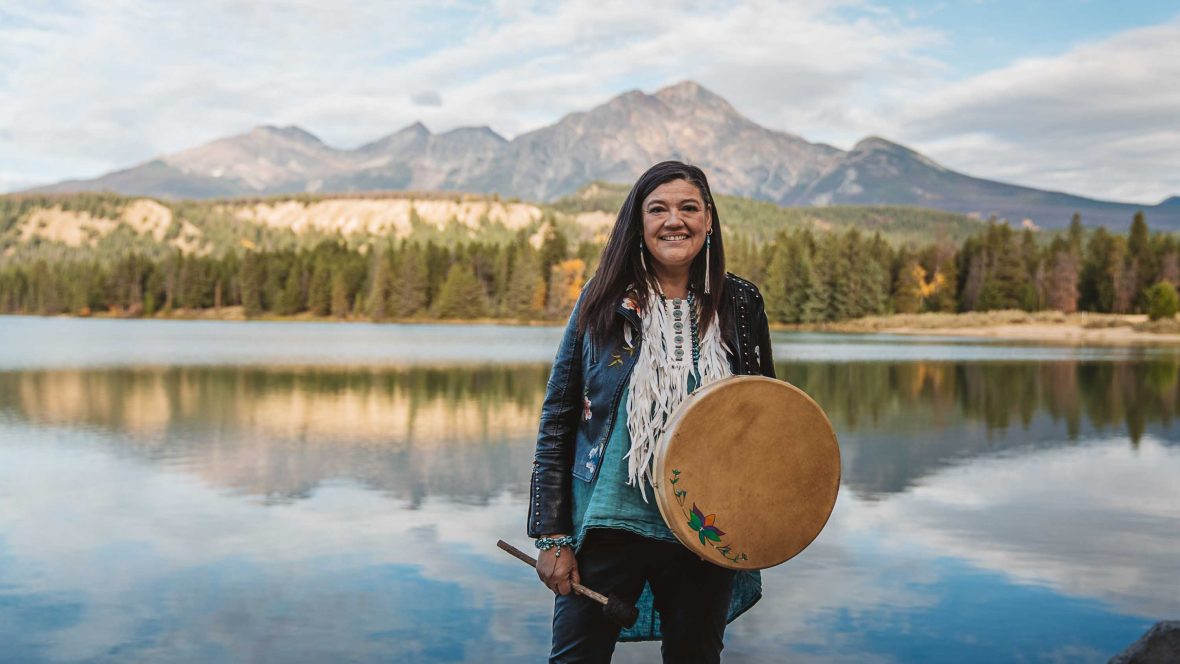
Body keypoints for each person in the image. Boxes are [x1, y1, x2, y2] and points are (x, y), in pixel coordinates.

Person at [527, 161, 776, 663]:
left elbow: (766, 421)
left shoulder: (740, 303)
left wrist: (763, 519)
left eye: (689, 208)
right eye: (657, 209)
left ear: (709, 220)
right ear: (638, 223)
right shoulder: (601, 299)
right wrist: (552, 535)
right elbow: (558, 420)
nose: (674, 220)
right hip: (608, 523)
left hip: (707, 526)